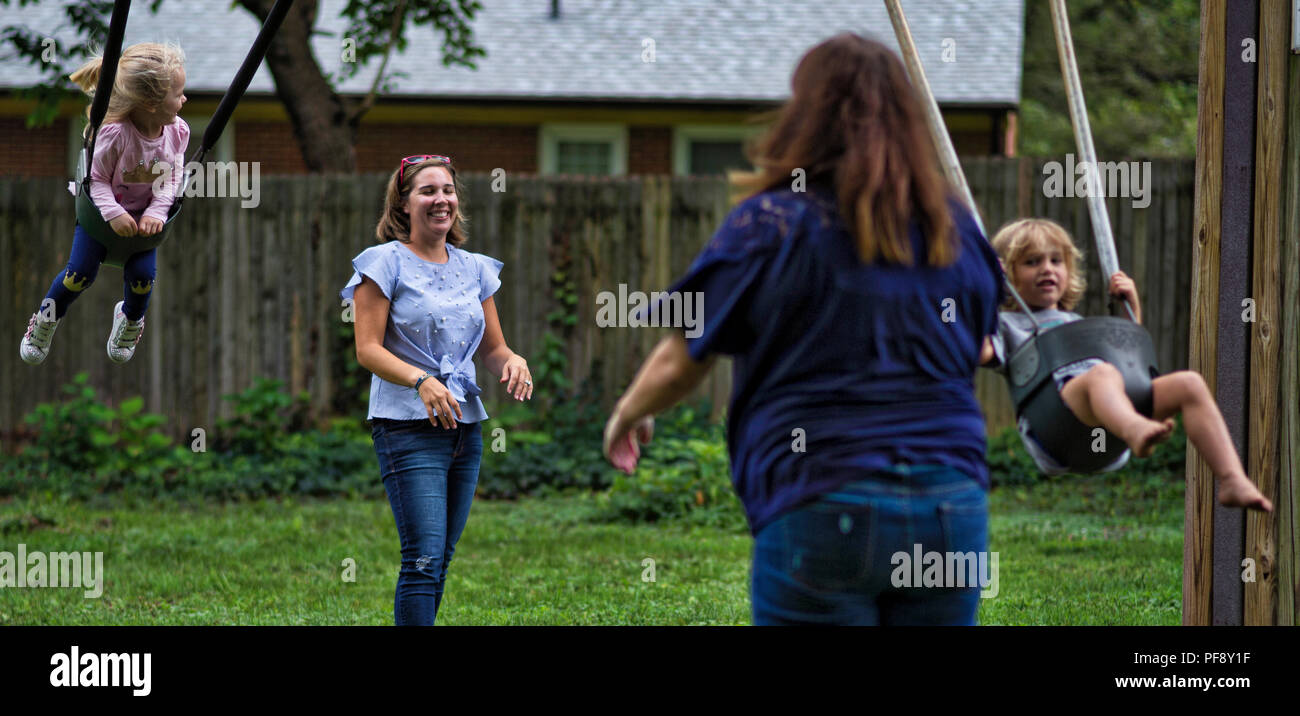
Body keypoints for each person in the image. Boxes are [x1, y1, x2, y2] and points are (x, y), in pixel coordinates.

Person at [602, 33, 1004, 625]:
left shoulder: (773, 223)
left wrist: (627, 414)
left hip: (822, 498)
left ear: (807, 117)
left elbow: (684, 354)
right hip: (951, 504)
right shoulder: (960, 233)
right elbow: (980, 346)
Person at [342, 155, 533, 625]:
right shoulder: (383, 263)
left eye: (447, 190)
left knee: (439, 559)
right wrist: (421, 380)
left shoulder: (474, 268)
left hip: (465, 428)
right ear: (403, 203)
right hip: (406, 427)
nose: (441, 199)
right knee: (423, 559)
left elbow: (493, 349)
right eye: (427, 191)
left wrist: (512, 360)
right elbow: (367, 349)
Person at [981, 218, 1271, 511]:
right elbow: (979, 352)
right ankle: (1135, 429)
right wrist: (981, 293)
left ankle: (1232, 478)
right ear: (1006, 275)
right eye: (1032, 261)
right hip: (1056, 418)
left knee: (1189, 383)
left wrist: (1132, 310)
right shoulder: (1005, 325)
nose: (1047, 268)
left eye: (1056, 260)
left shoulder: (1076, 323)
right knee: (1102, 373)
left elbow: (1129, 361)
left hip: (1106, 411)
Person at [19, 42, 188, 365]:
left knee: (142, 281)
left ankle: (129, 320)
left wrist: (155, 211)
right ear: (152, 103)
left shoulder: (178, 132)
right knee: (78, 274)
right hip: (100, 218)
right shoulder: (115, 135)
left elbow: (173, 178)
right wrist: (114, 214)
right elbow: (95, 180)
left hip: (144, 226)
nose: (184, 99)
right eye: (177, 93)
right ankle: (46, 319)